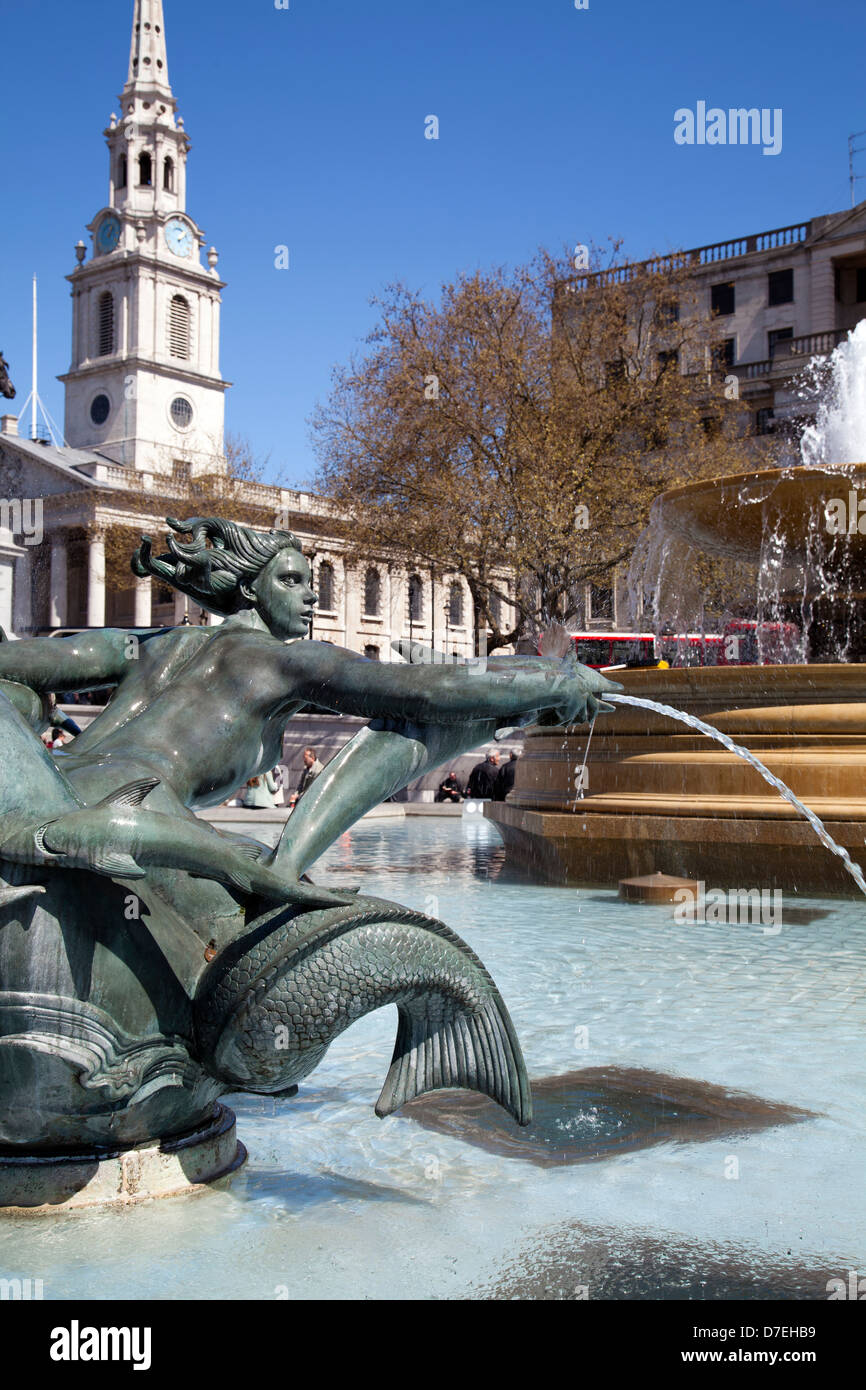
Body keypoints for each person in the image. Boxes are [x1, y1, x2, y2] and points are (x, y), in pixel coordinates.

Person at [0, 515, 620, 896]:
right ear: (248, 587)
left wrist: (30, 709)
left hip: (40, 791)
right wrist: (555, 681)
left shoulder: (142, 646)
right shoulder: (289, 659)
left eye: (312, 581)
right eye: (292, 581)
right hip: (133, 815)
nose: (311, 596)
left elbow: (12, 664)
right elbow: (432, 691)